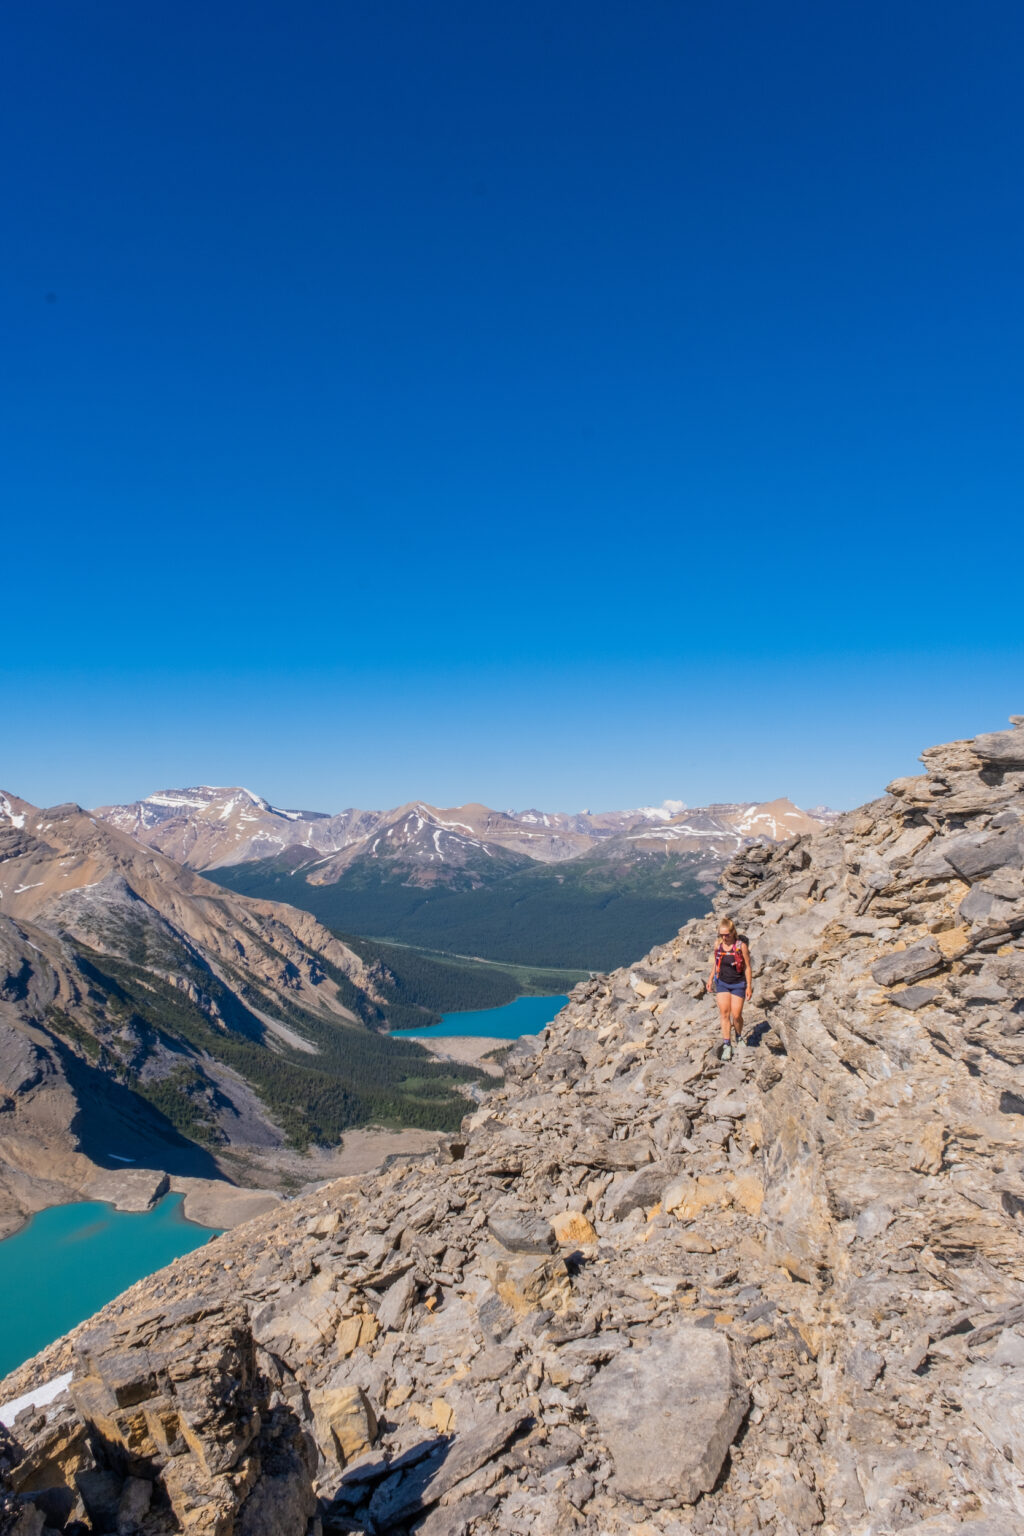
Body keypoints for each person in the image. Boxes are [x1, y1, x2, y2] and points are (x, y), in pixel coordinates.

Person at [706, 916, 752, 1062]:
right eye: (721, 935)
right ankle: (727, 1044)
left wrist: (749, 986)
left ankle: (738, 1035)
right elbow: (716, 963)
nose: (724, 938)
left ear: (733, 933)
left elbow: (747, 967)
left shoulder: (741, 946)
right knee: (724, 1014)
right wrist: (710, 978)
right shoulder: (718, 945)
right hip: (722, 983)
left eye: (727, 935)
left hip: (738, 983)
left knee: (736, 1015)